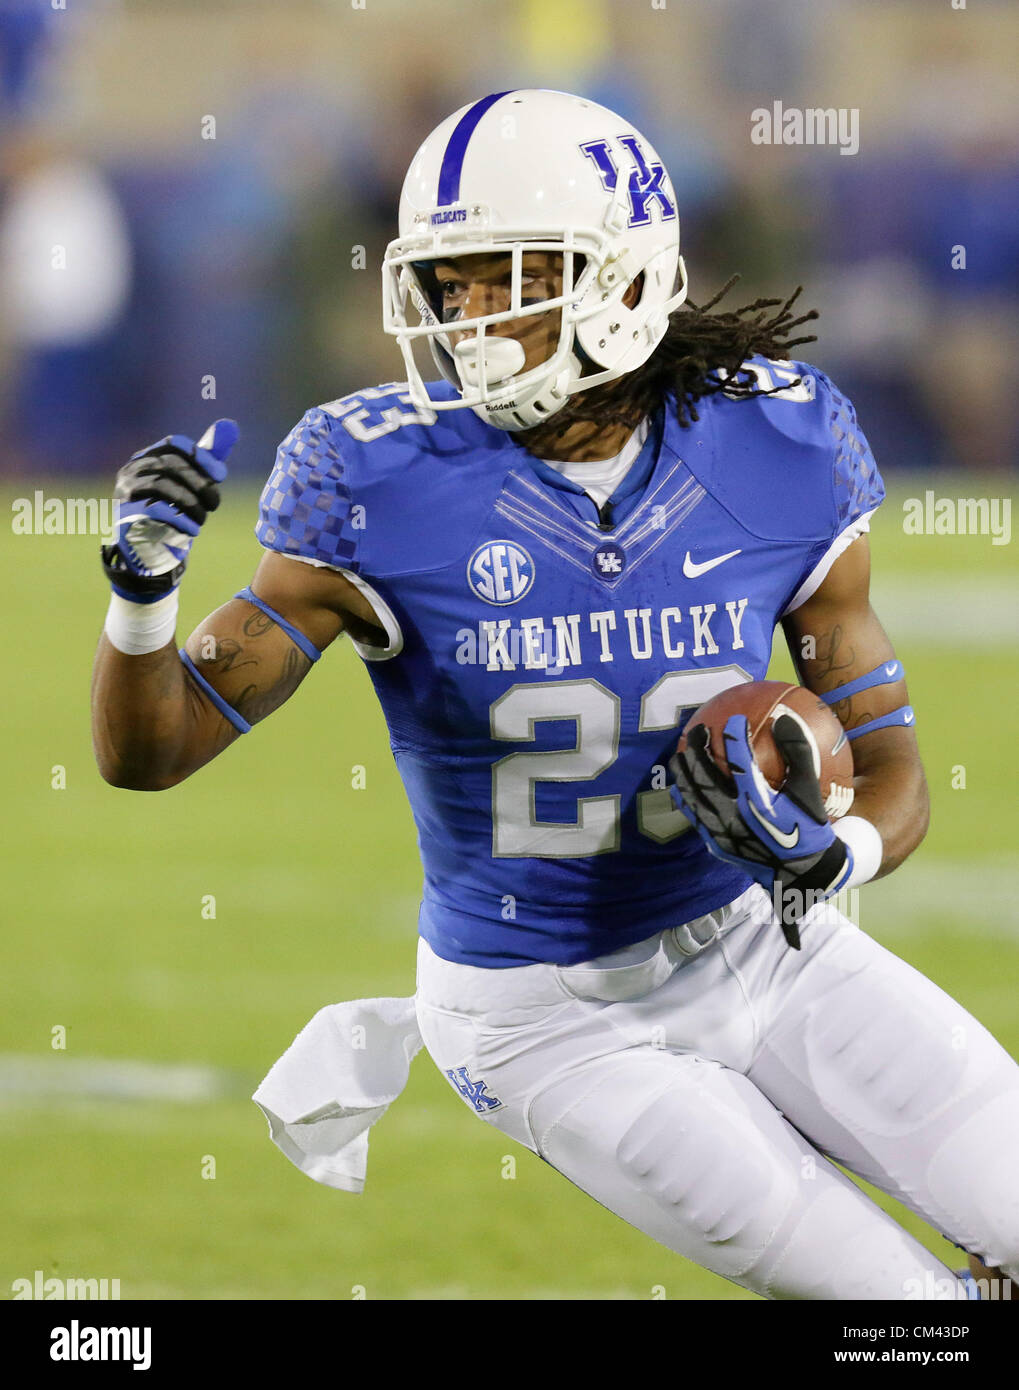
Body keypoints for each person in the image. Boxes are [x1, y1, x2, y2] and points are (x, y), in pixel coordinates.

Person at [91, 89, 1019, 1300]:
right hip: (546, 1016)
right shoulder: (374, 477)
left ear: (623, 277)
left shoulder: (775, 443)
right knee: (906, 1319)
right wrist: (143, 600)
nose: (471, 318)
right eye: (451, 283)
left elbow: (889, 766)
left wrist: (828, 856)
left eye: (512, 277)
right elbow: (150, 752)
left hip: (766, 942)